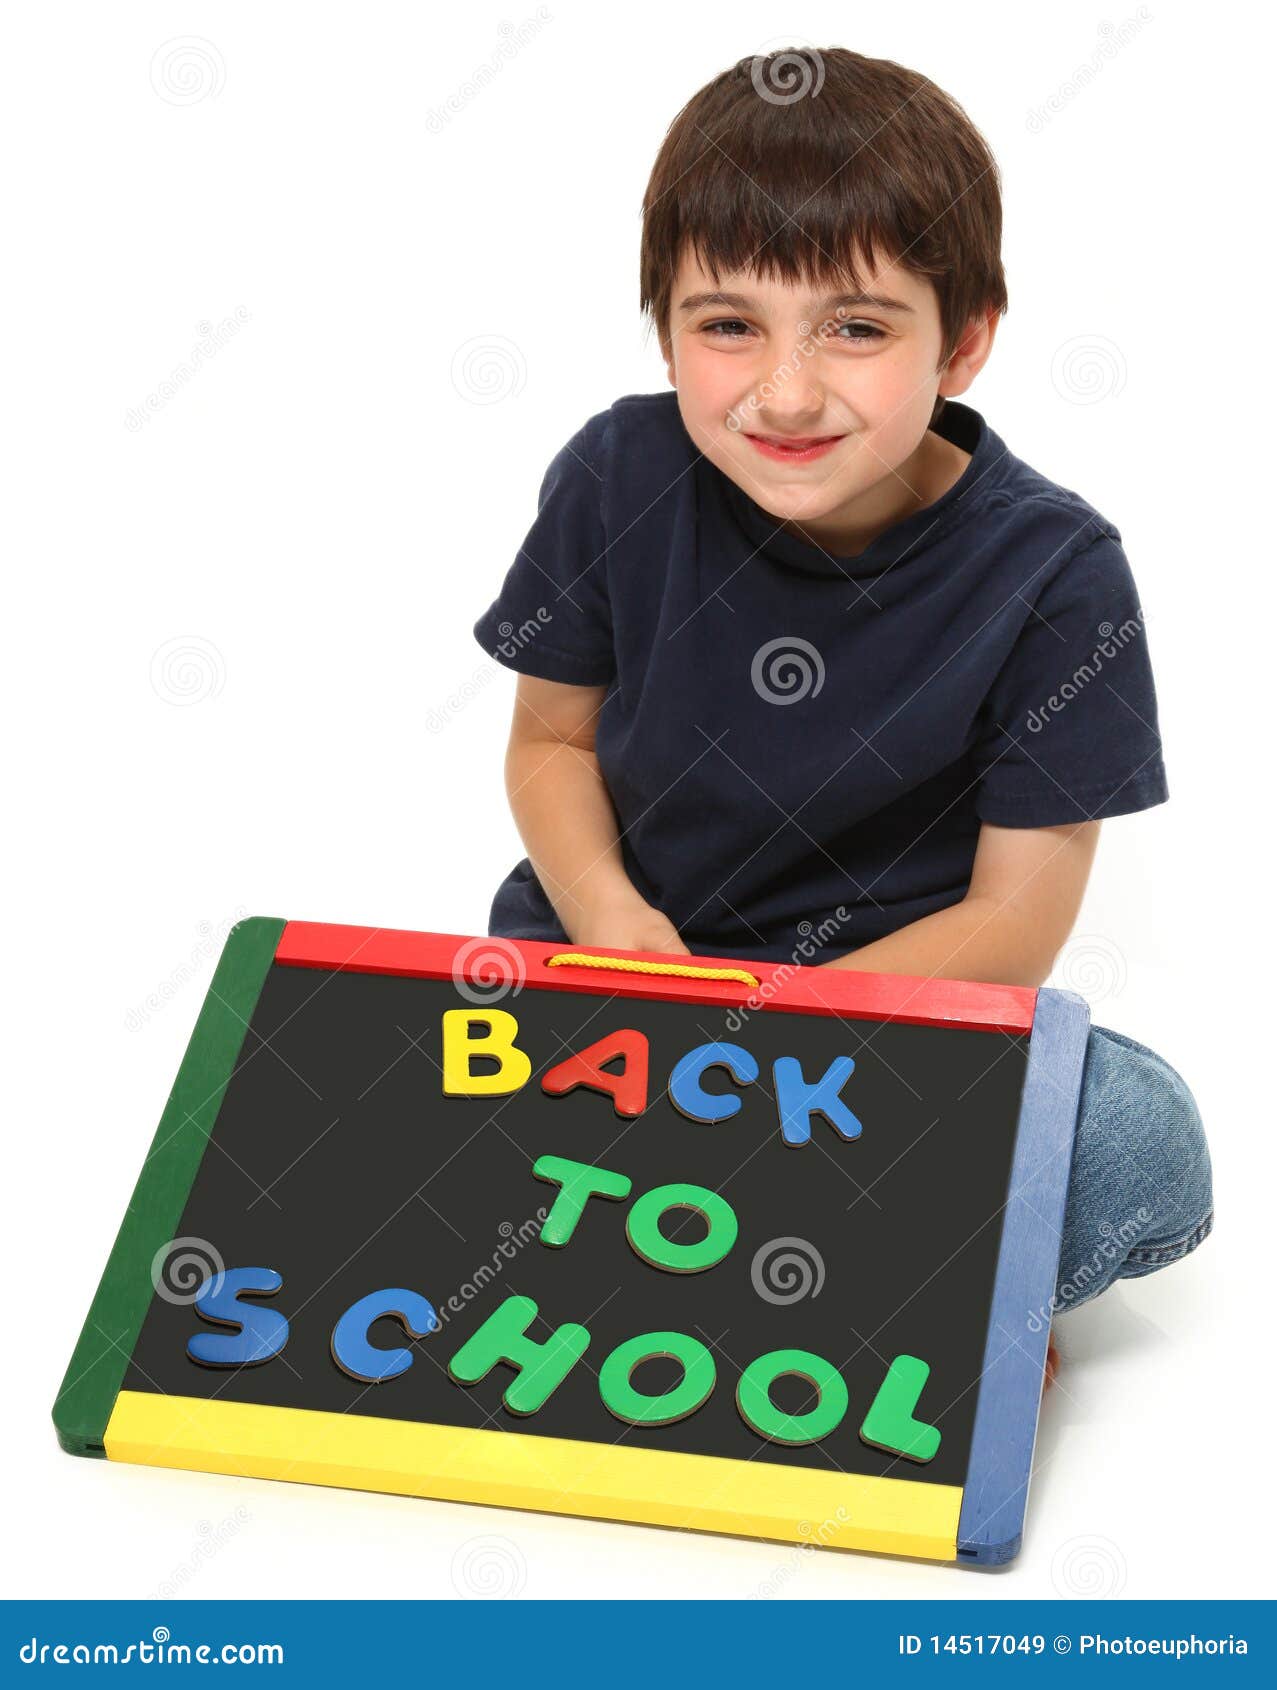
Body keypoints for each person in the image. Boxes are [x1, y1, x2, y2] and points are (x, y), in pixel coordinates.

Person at [471, 47, 1213, 1350]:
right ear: (664, 329)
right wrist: (613, 922)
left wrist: (766, 1049)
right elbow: (549, 741)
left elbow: (1014, 917)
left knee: (1138, 1135)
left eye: (855, 327)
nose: (786, 389)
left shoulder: (1056, 571)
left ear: (964, 341)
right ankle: (839, 1261)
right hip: (625, 979)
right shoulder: (614, 472)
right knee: (408, 1048)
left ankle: (807, 1256)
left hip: (884, 1026)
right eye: (726, 323)